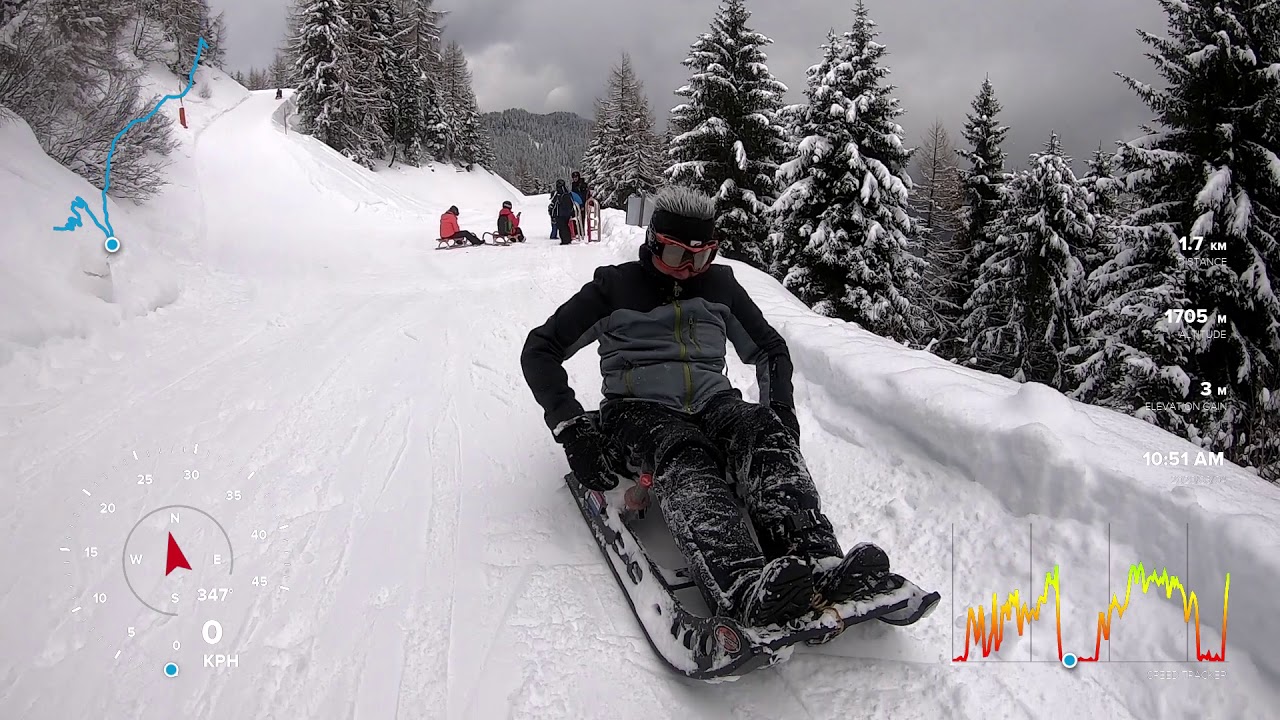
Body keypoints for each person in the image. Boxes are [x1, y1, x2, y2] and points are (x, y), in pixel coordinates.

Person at [519, 186, 890, 629]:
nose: (690, 271)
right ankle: (741, 582)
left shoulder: (720, 286)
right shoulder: (613, 289)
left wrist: (781, 414)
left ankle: (814, 554)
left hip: (714, 404)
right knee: (684, 454)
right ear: (653, 242)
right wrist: (573, 428)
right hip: (639, 411)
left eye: (703, 256)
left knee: (763, 433)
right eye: (677, 256)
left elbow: (770, 349)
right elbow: (540, 349)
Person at [548, 180, 575, 245]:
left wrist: (552, 212)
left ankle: (565, 240)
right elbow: (572, 203)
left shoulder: (558, 194)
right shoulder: (567, 193)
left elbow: (554, 204)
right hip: (567, 214)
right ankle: (568, 239)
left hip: (559, 214)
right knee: (566, 226)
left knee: (562, 227)